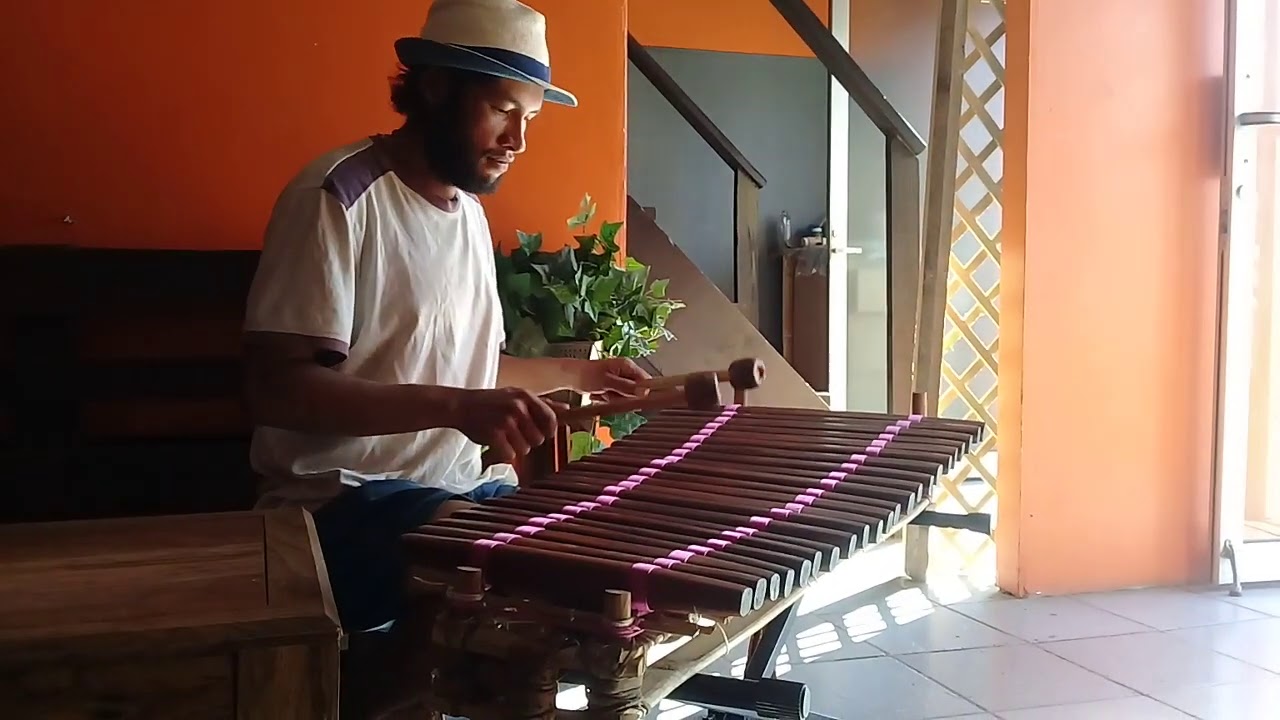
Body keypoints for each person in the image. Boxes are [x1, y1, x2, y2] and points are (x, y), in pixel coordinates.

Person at [241, 1, 648, 716]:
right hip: (338, 506)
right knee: (501, 575)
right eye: (501, 109)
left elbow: (470, 368)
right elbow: (280, 389)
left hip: (458, 500)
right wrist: (458, 409)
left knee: (595, 549)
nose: (519, 138)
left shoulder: (467, 213)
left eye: (529, 118)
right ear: (433, 87)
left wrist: (583, 374)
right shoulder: (339, 197)